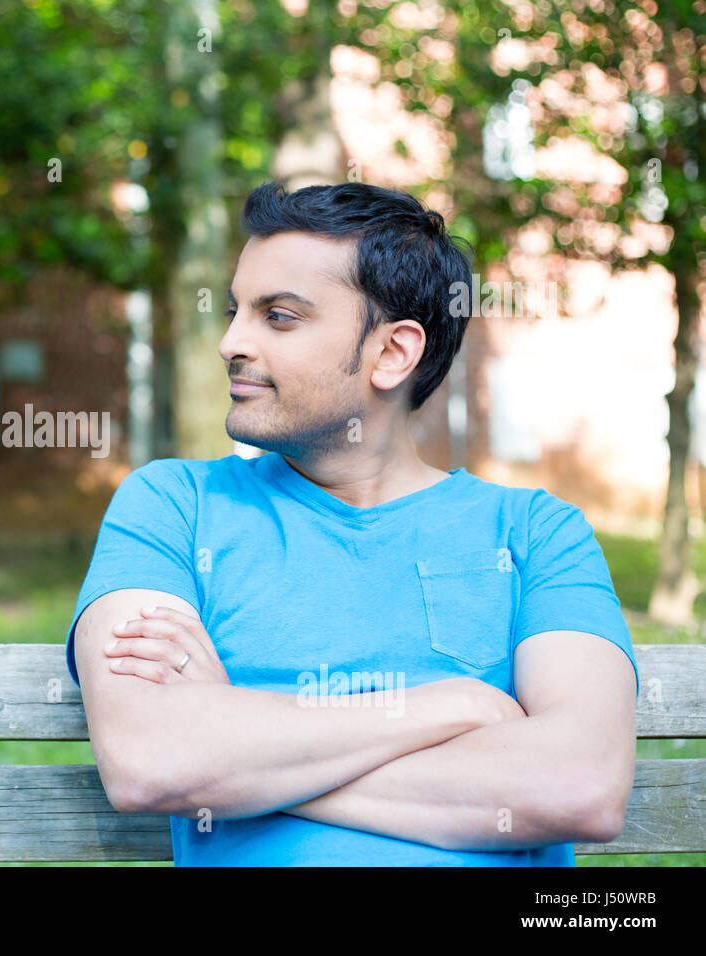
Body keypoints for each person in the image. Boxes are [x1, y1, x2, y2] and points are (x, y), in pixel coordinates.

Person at [65, 180, 639, 866]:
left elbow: (581, 786)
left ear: (393, 353)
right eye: (234, 311)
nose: (229, 342)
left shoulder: (537, 533)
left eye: (277, 316)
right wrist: (448, 708)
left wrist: (245, 761)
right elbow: (150, 762)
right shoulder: (173, 506)